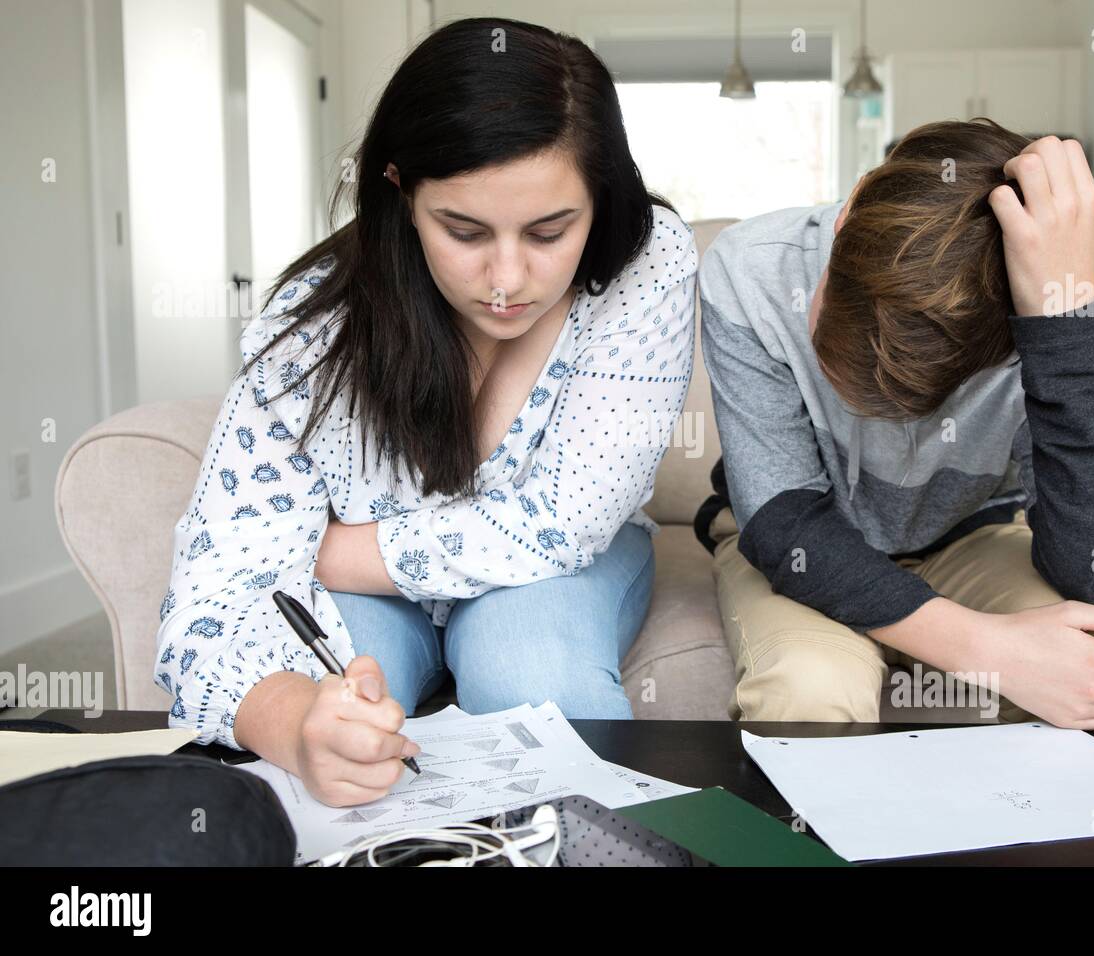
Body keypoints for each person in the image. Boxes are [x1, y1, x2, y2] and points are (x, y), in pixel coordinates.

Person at [156, 17, 697, 807]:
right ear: (401, 192)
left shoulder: (647, 264)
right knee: (335, 701)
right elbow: (210, 595)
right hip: (377, 601)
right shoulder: (312, 329)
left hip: (552, 575)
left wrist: (334, 552)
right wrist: (297, 719)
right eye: (463, 230)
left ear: (600, 199)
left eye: (550, 231)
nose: (507, 279)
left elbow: (567, 522)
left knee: (527, 665)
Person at [694, 118, 1094, 730]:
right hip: (804, 535)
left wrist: (1066, 321)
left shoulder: (1041, 297)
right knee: (808, 691)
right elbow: (784, 522)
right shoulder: (748, 270)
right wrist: (985, 649)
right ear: (848, 213)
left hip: (972, 536)